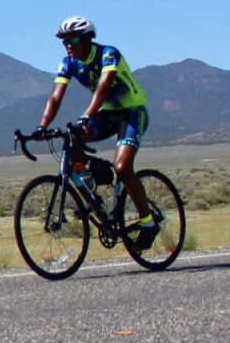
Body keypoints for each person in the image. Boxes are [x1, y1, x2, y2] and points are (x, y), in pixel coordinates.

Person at [36, 15, 158, 247]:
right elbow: (55, 97)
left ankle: (148, 222)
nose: (68, 46)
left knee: (122, 168)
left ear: (87, 39)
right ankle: (93, 197)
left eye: (72, 40)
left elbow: (102, 89)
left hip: (131, 112)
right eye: (64, 42)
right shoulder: (68, 63)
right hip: (107, 114)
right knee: (72, 142)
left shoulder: (108, 54)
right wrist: (42, 126)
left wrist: (85, 117)